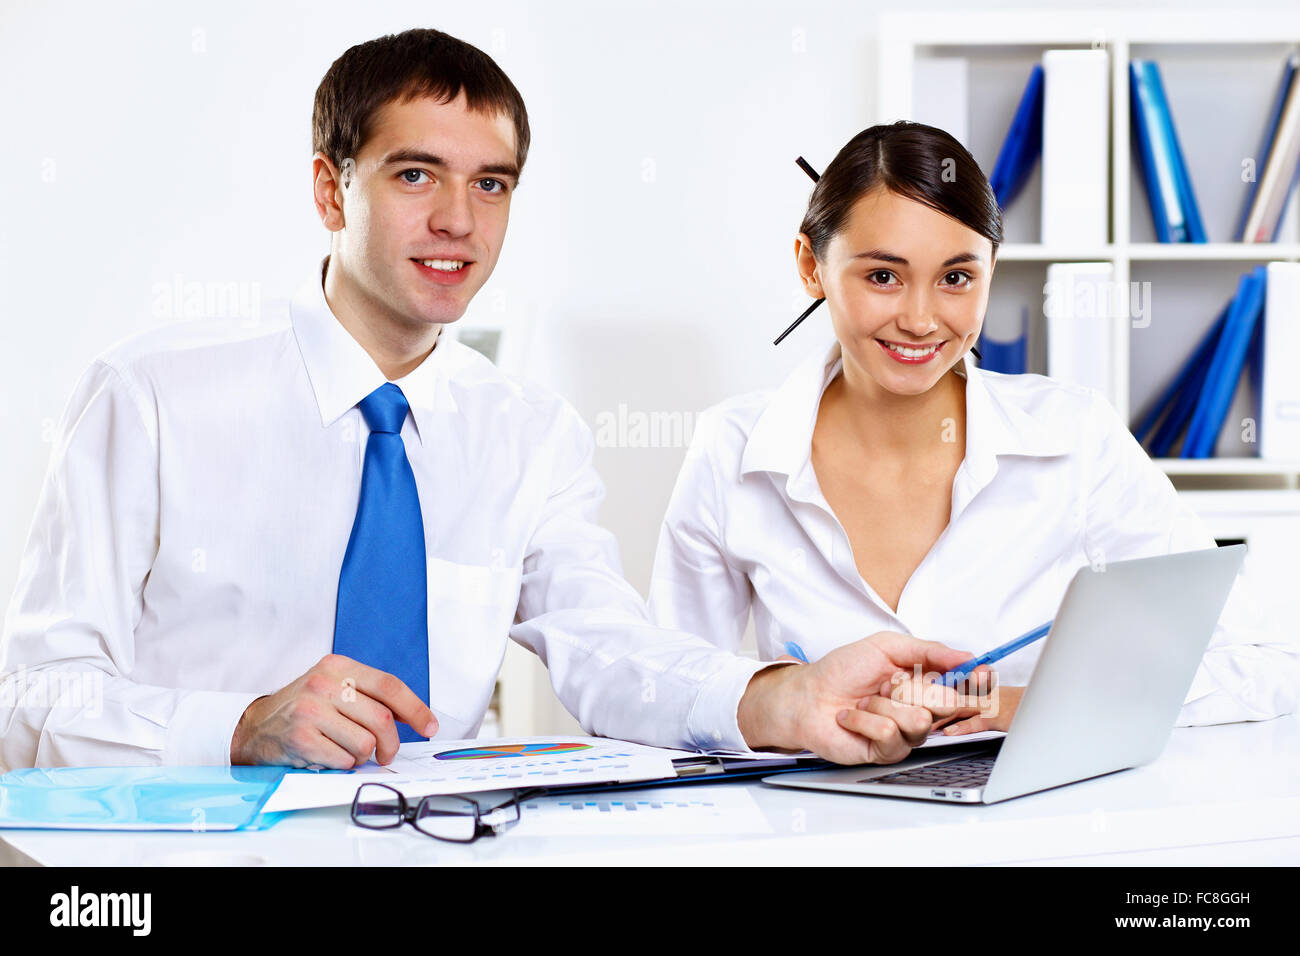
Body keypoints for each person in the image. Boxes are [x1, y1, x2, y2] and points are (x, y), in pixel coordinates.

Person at [0, 31, 976, 773]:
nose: (458, 221)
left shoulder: (525, 432)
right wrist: (243, 724)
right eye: (415, 173)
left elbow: (608, 649)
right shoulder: (155, 394)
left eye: (492, 182)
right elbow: (28, 700)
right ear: (331, 192)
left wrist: (781, 697)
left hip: (433, 845)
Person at [649, 121, 1299, 735]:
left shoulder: (1076, 438)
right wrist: (788, 702)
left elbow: (1267, 659)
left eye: (957, 277)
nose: (921, 319)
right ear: (810, 265)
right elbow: (664, 690)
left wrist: (1027, 707)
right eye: (883, 275)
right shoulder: (731, 448)